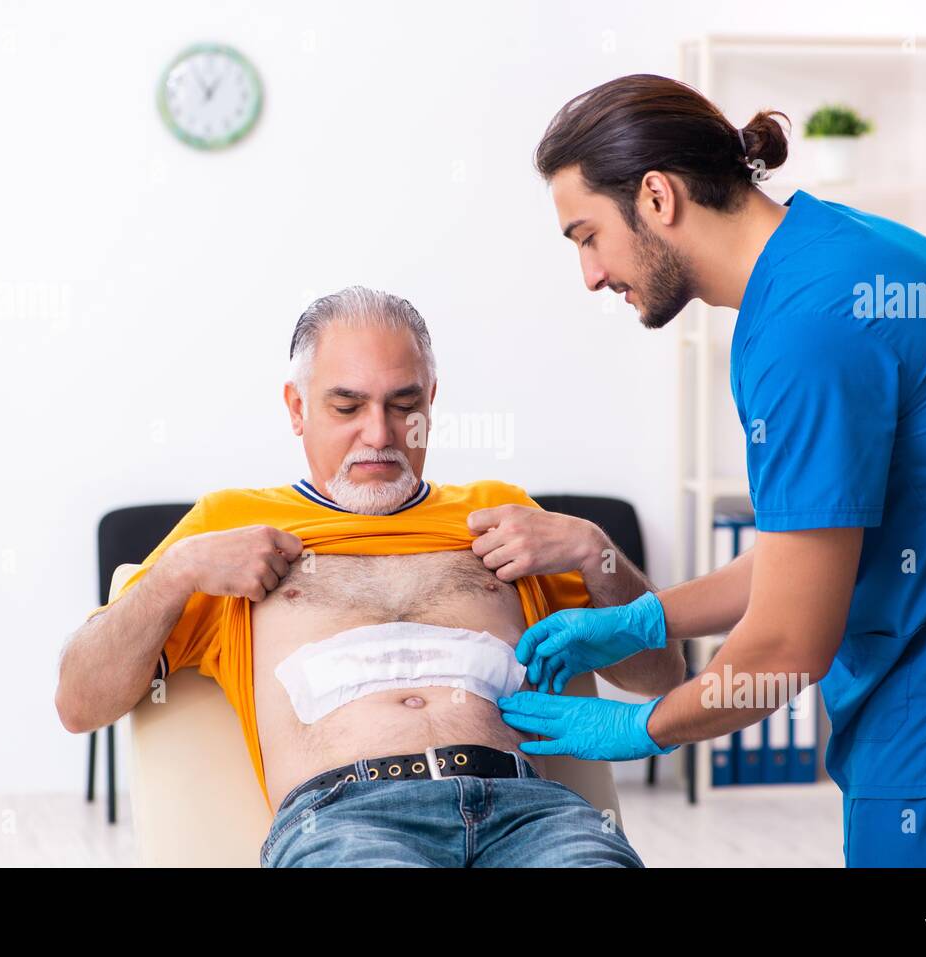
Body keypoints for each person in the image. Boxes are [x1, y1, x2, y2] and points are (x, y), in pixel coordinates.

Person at [497, 74, 926, 867]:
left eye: (587, 236)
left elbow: (789, 642)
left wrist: (641, 728)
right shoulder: (834, 253)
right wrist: (648, 620)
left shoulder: (803, 333)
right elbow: (808, 553)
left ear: (656, 197)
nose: (590, 274)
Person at [57, 286, 681, 867]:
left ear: (431, 401)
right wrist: (177, 573)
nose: (379, 435)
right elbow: (80, 704)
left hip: (533, 814)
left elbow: (659, 676)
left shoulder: (500, 511)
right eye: (347, 406)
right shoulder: (231, 524)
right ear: (297, 408)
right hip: (347, 818)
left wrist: (594, 549)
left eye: (403, 404)